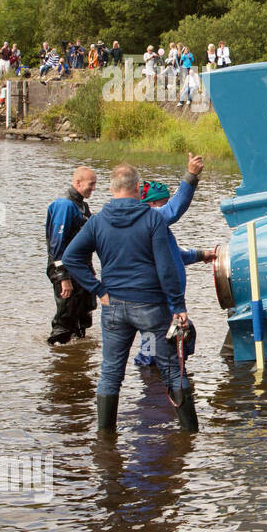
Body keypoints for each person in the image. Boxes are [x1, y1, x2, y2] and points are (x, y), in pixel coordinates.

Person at [61, 163, 196, 433]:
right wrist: (178, 306)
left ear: (111, 190)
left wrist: (98, 289)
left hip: (113, 307)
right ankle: (190, 436)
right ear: (137, 188)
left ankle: (105, 438)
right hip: (151, 306)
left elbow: (70, 258)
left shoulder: (98, 221)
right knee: (172, 370)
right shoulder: (153, 219)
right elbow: (166, 266)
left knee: (111, 373)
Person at [132, 155, 211, 366]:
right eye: (162, 203)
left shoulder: (159, 230)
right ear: (153, 204)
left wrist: (203, 255)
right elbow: (175, 209)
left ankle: (163, 373)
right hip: (154, 300)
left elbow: (176, 254)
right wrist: (191, 176)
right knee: (152, 342)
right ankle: (149, 373)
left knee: (180, 336)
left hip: (164, 301)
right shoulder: (149, 218)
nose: (164, 207)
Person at [45, 166, 99, 345]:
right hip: (65, 270)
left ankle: (77, 360)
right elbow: (56, 244)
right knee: (65, 318)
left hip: (81, 269)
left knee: (83, 315)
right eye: (91, 184)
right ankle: (60, 361)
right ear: (78, 183)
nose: (94, 188)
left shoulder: (82, 206)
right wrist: (63, 277)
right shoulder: (65, 205)